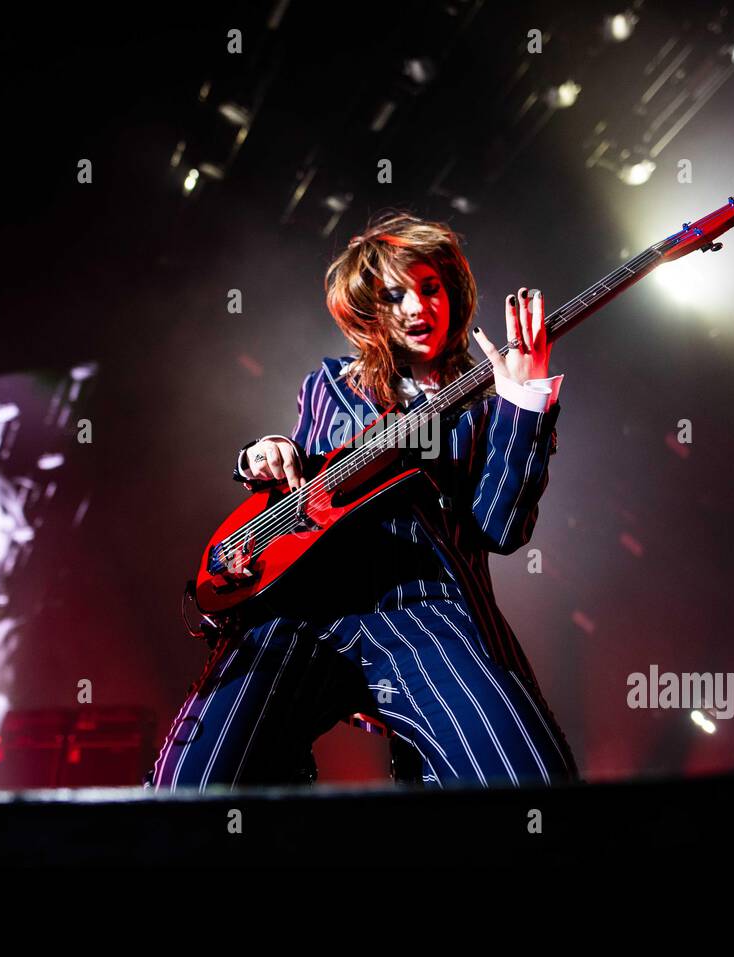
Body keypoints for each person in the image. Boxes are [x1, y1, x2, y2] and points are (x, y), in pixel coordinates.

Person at [151, 212, 579, 789]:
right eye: (395, 295)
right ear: (370, 311)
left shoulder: (489, 399)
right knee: (193, 784)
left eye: (430, 288)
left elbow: (499, 528)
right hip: (304, 602)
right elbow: (299, 479)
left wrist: (524, 398)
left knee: (528, 777)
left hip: (422, 602)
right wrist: (265, 451)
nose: (416, 308)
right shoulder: (331, 381)